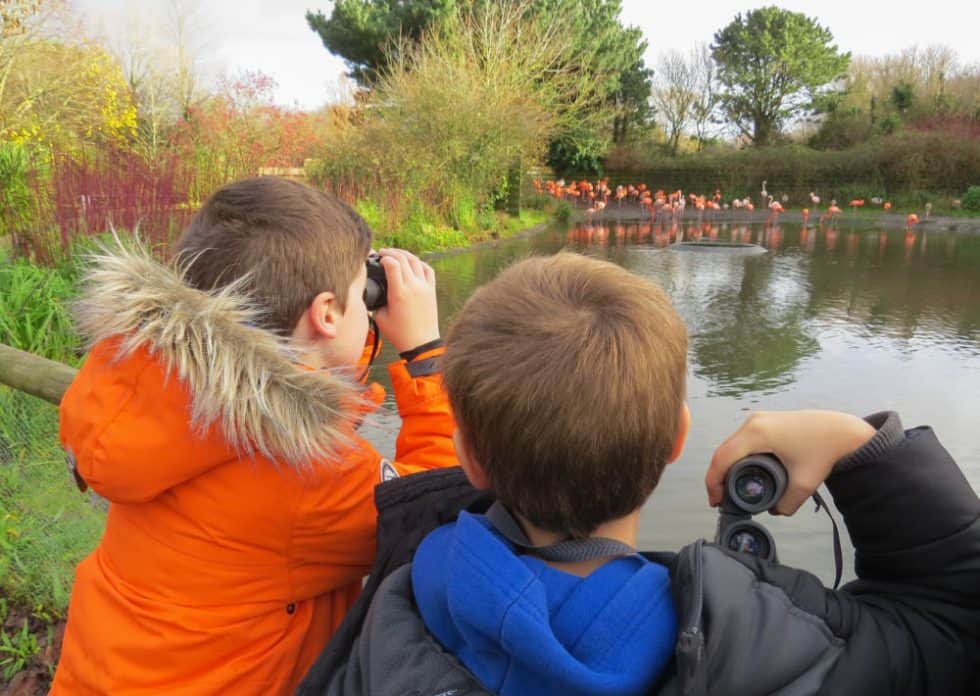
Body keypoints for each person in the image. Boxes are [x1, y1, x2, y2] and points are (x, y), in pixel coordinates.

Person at [299, 252, 980, 696]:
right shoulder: (783, 647)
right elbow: (955, 624)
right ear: (678, 439)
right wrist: (860, 444)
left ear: (468, 455)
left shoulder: (385, 622)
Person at [50, 177, 458, 694]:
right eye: (363, 293)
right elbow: (428, 509)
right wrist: (425, 355)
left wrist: (340, 330)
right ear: (327, 313)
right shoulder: (308, 473)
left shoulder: (146, 379)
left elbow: (290, 370)